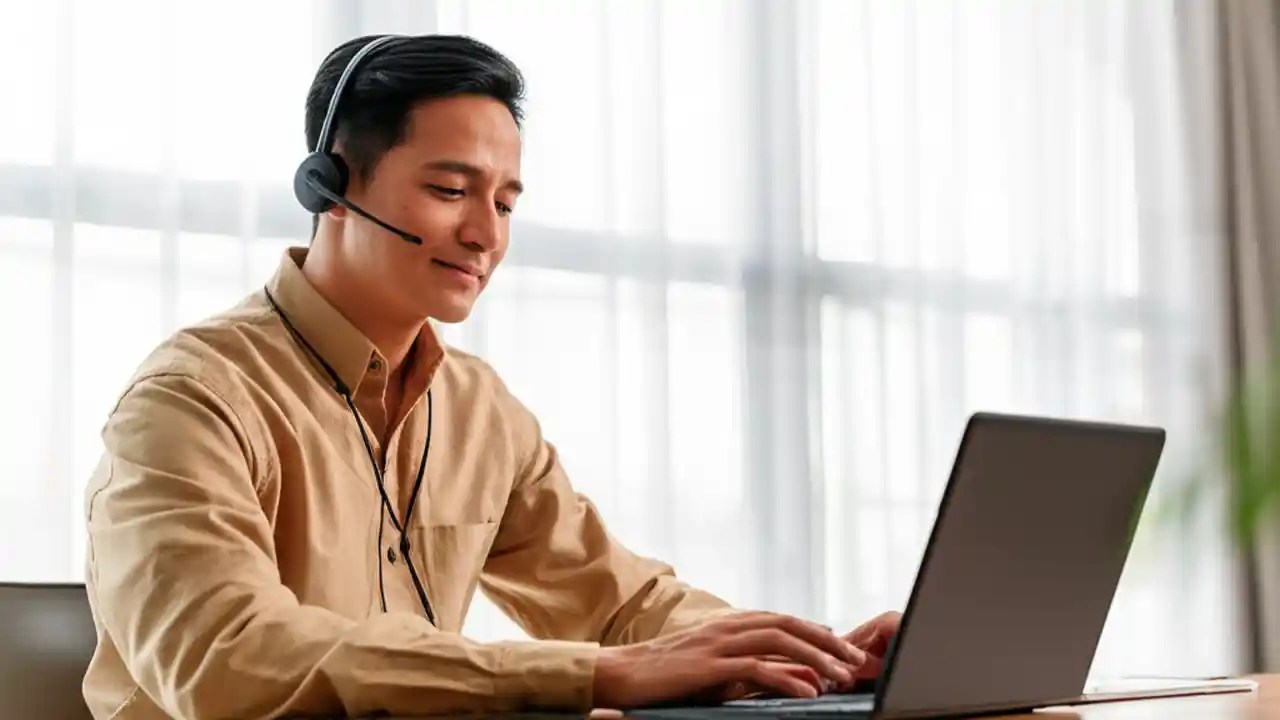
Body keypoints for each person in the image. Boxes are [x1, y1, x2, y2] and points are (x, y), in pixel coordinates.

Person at [82, 33, 900, 719]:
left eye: (505, 204)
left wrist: (813, 658)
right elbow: (225, 656)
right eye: (450, 190)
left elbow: (617, 604)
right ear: (329, 187)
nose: (485, 235)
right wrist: (592, 675)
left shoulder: (478, 409)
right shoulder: (192, 400)